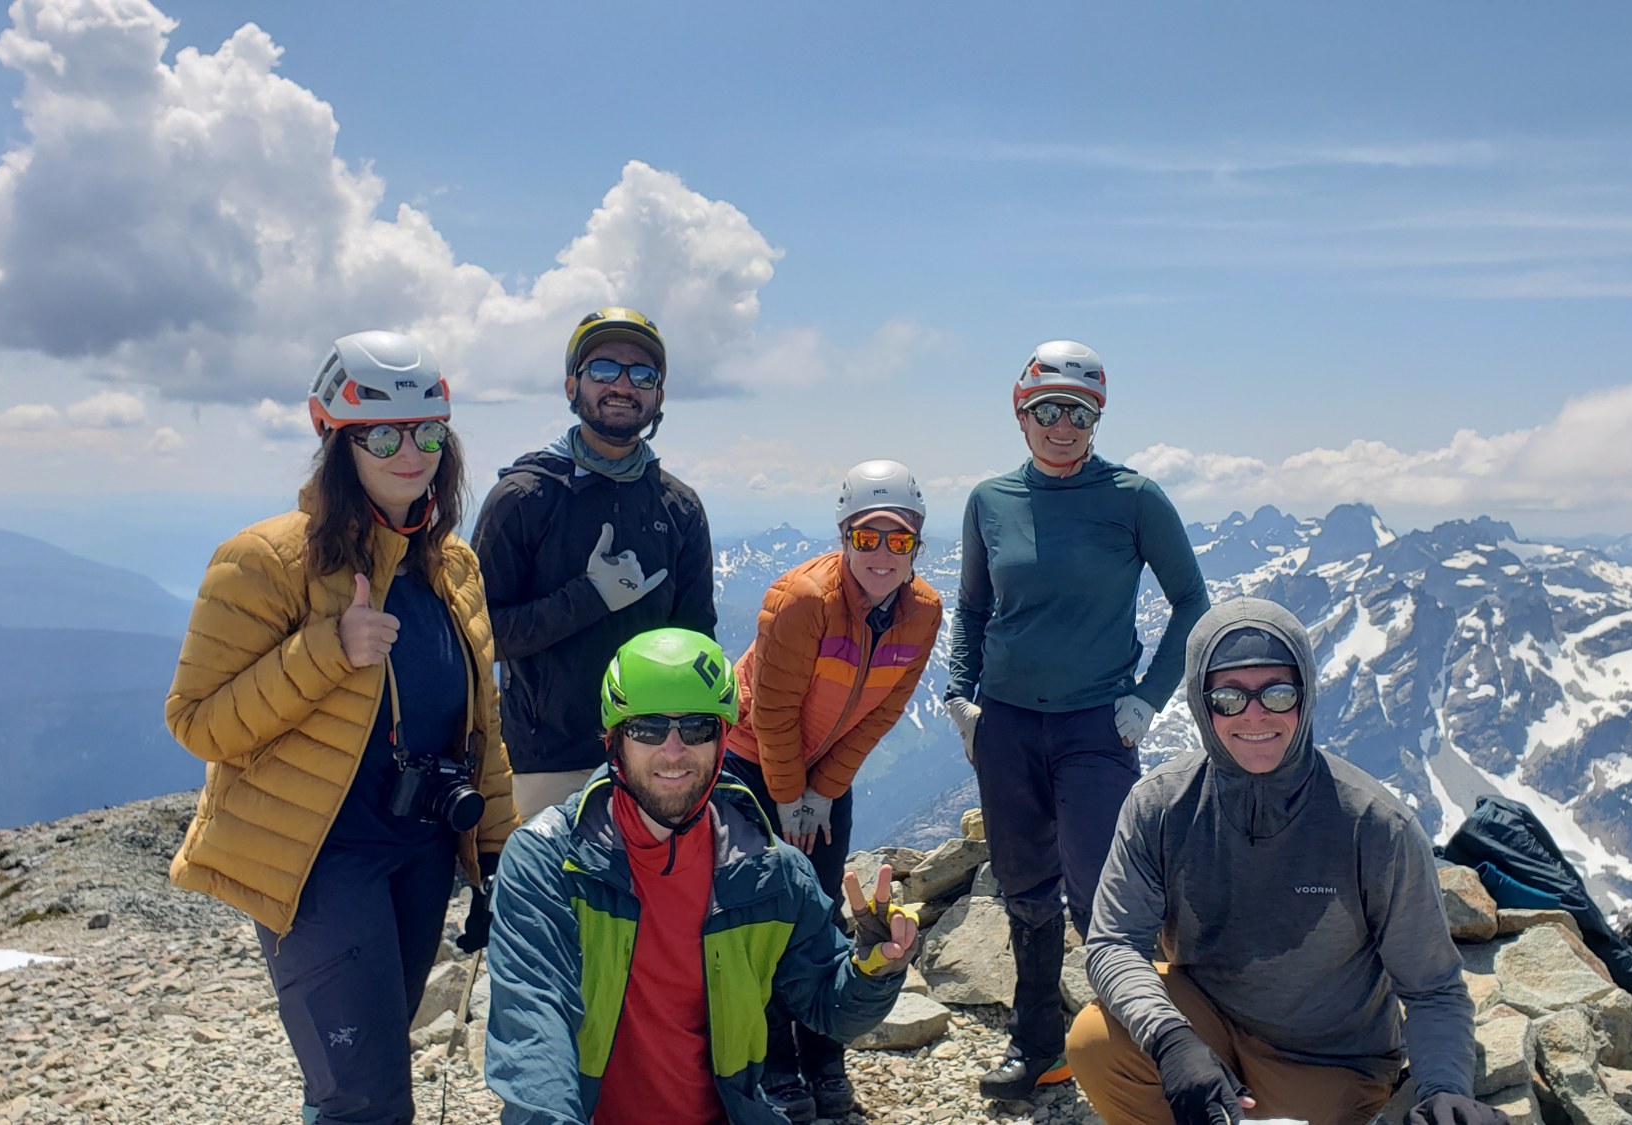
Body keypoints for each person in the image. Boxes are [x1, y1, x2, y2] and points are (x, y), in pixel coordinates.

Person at [166, 331, 517, 1125]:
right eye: (381, 434)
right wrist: (327, 650)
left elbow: (482, 726)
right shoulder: (264, 561)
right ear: (335, 439)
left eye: (427, 431)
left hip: (420, 852)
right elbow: (197, 722)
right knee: (365, 1095)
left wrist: (496, 850)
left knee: (371, 1065)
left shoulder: (451, 565)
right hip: (318, 867)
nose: (409, 452)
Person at [1067, 597, 1504, 1125]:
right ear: (1201, 705)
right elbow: (1113, 943)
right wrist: (1169, 1038)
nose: (1254, 715)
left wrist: (1442, 1089)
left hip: (1329, 1060)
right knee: (1095, 1043)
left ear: (1307, 697)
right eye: (1227, 697)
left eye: (1277, 693)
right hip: (1204, 1020)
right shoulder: (1160, 804)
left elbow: (1432, 986)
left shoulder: (1373, 824)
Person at [484, 628, 919, 1125]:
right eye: (648, 728)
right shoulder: (548, 862)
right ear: (615, 740)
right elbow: (534, 1023)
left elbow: (831, 1009)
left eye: (696, 729)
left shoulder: (771, 873)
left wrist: (873, 967)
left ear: (723, 739)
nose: (673, 751)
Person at [944, 340, 1210, 1101]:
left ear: (1098, 417)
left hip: (1098, 724)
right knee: (1024, 882)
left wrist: (1149, 697)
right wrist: (962, 698)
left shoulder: (1132, 496)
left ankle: (1135, 1048)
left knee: (1103, 890)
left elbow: (1193, 599)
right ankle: (1037, 1046)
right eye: (1048, 409)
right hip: (1005, 724)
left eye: (1080, 413)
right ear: (1021, 411)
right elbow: (971, 606)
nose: (1063, 425)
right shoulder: (989, 501)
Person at [720, 459, 944, 1122]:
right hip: (748, 762)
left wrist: (823, 790)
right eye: (867, 537)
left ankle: (824, 1058)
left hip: (819, 775)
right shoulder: (801, 600)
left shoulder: (922, 613)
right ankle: (776, 1065)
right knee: (760, 910)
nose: (881, 553)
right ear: (844, 536)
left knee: (819, 909)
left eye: (898, 540)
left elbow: (883, 712)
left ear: (915, 547)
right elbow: (772, 713)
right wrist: (789, 795)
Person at [474, 306, 716, 820]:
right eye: (604, 369)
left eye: (642, 374)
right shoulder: (523, 498)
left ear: (659, 397)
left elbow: (698, 638)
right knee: (549, 897)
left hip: (655, 753)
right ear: (572, 387)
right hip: (549, 758)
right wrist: (589, 597)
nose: (623, 385)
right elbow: (482, 634)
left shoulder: (679, 507)